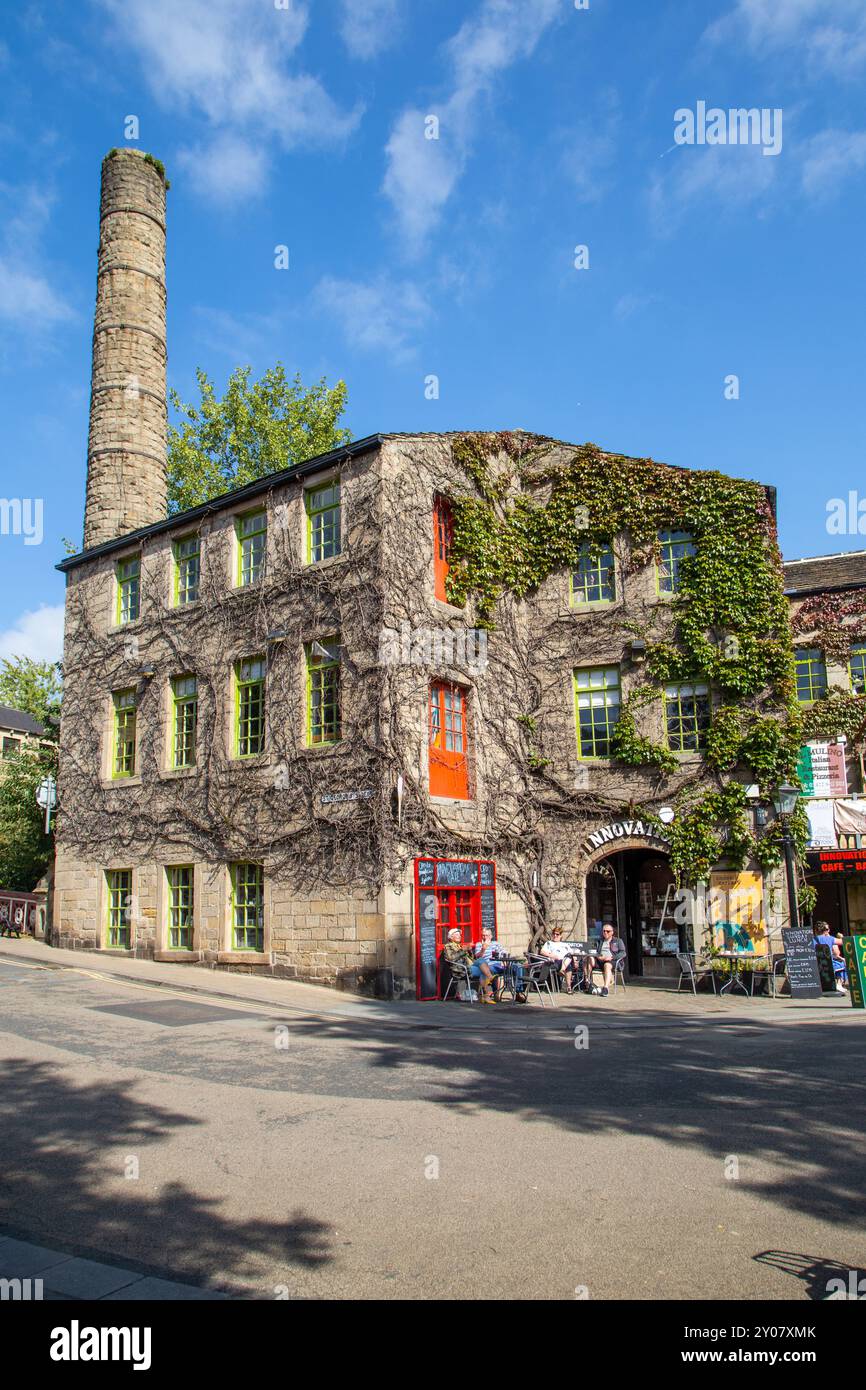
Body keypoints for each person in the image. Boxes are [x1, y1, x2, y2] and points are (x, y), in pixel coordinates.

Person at [443, 927, 497, 1003]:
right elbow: (451, 958)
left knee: (481, 961)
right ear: (451, 937)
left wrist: (469, 950)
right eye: (457, 934)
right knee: (483, 971)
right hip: (462, 969)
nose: (459, 936)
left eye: (460, 935)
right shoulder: (448, 946)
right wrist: (463, 950)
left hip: (470, 965)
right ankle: (486, 993)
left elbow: (471, 958)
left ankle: (488, 983)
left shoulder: (460, 945)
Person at [474, 926, 527, 1003]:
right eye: (483, 935)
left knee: (517, 967)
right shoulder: (479, 945)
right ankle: (495, 994)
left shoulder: (496, 944)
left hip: (500, 964)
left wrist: (504, 959)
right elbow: (478, 957)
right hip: (488, 965)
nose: (485, 937)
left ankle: (518, 992)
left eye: (487, 935)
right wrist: (483, 948)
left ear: (491, 936)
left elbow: (504, 953)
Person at [584, 922, 626, 996]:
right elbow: (595, 952)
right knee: (588, 959)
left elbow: (623, 953)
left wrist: (611, 957)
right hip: (600, 960)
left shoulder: (618, 941)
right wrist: (598, 956)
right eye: (604, 931)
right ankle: (588, 982)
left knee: (607, 965)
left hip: (613, 962)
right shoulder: (600, 941)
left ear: (612, 932)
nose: (605, 932)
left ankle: (605, 988)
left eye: (608, 931)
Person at [540, 926, 580, 993]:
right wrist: (551, 955)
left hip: (565, 961)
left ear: (561, 936)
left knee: (569, 957)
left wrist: (575, 961)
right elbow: (542, 951)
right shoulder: (549, 943)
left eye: (557, 934)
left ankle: (562, 970)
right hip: (555, 962)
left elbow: (571, 953)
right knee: (568, 965)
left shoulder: (565, 944)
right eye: (554, 934)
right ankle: (569, 988)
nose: (555, 936)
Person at [814, 920, 848, 993]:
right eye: (827, 929)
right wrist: (841, 937)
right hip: (829, 964)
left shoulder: (813, 939)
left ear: (816, 930)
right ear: (825, 931)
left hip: (816, 964)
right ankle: (839, 983)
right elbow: (844, 942)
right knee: (843, 963)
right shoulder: (830, 939)